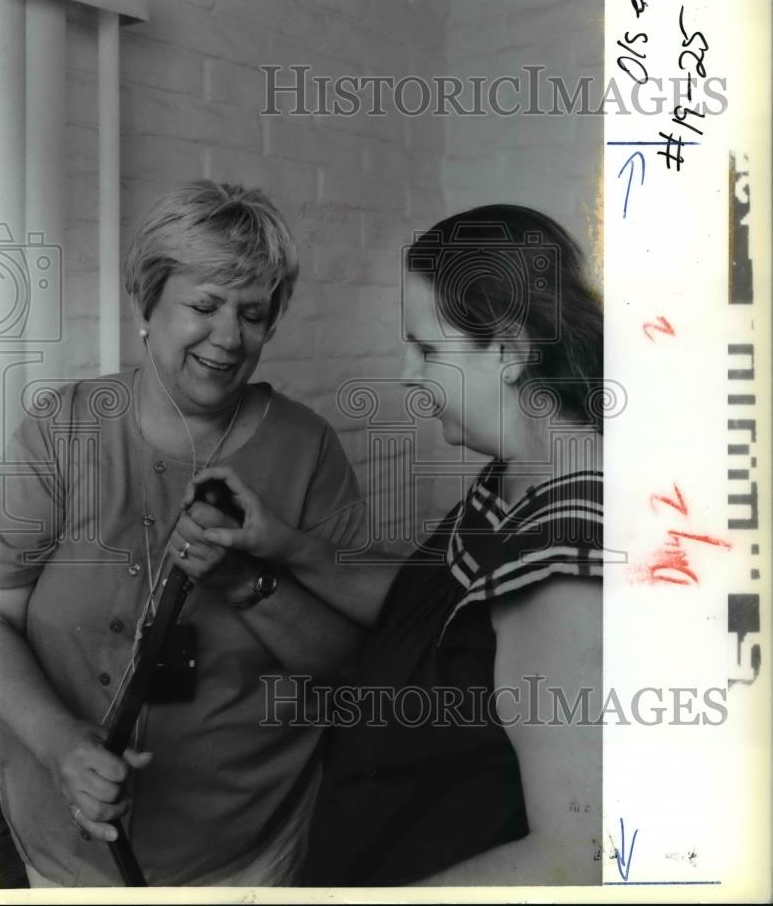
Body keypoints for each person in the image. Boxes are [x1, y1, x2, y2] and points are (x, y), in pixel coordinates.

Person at [195, 204, 604, 886]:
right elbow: (431, 612)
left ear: (509, 352)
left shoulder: (562, 571)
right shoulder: (518, 475)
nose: (409, 373)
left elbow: (574, 859)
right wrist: (284, 545)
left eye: (428, 350)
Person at [0, 181, 366, 887]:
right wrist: (59, 744)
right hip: (62, 852)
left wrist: (249, 584)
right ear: (148, 303)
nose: (229, 338)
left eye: (253, 314)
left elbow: (343, 661)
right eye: (204, 306)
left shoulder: (308, 449)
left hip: (243, 851)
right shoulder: (61, 429)